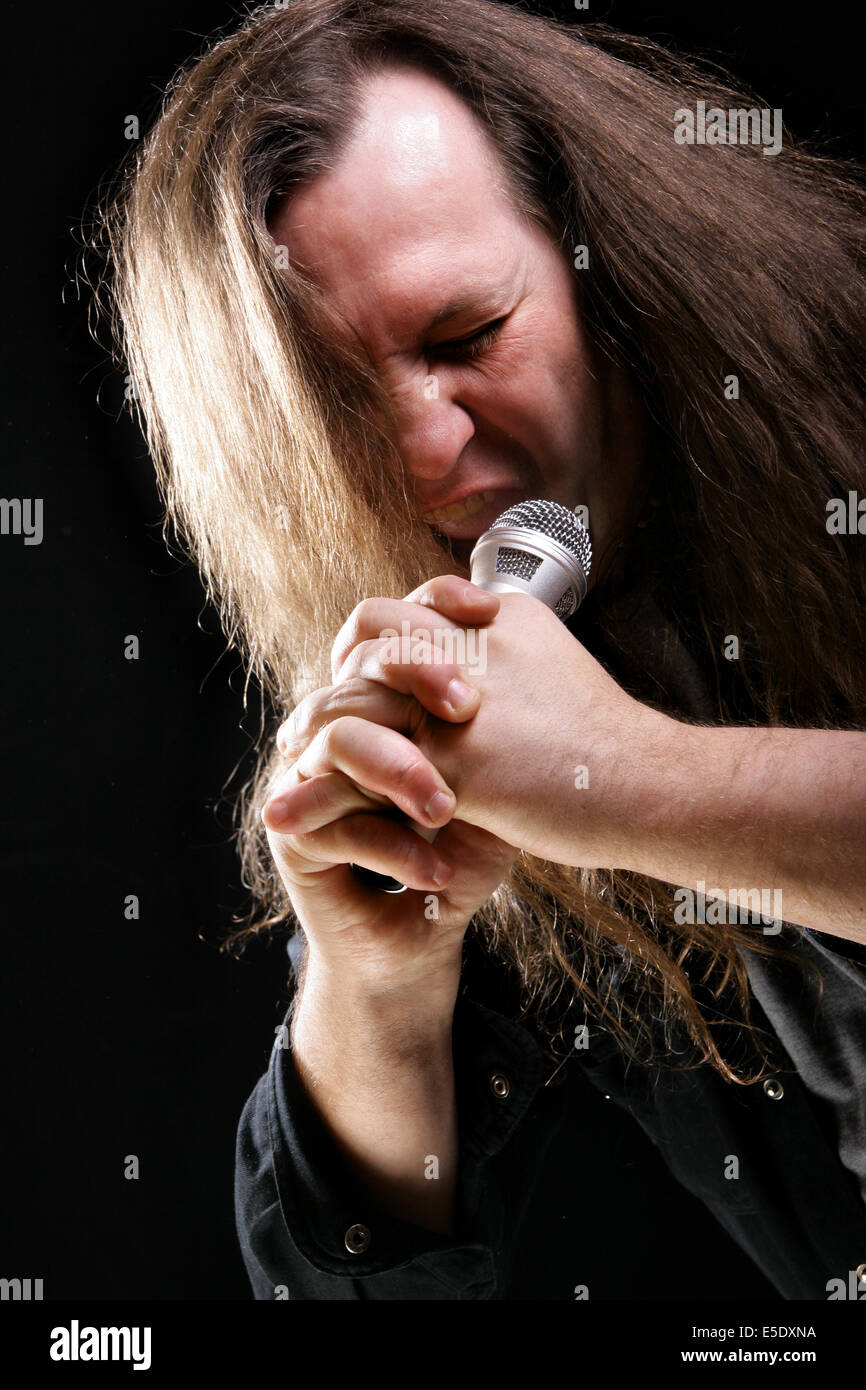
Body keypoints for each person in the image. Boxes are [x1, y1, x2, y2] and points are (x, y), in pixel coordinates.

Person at [91, 0, 866, 1299]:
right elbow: (353, 1293)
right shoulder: (460, 691)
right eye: (330, 409)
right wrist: (376, 985)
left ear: (605, 267)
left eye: (467, 339)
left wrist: (631, 782)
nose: (422, 458)